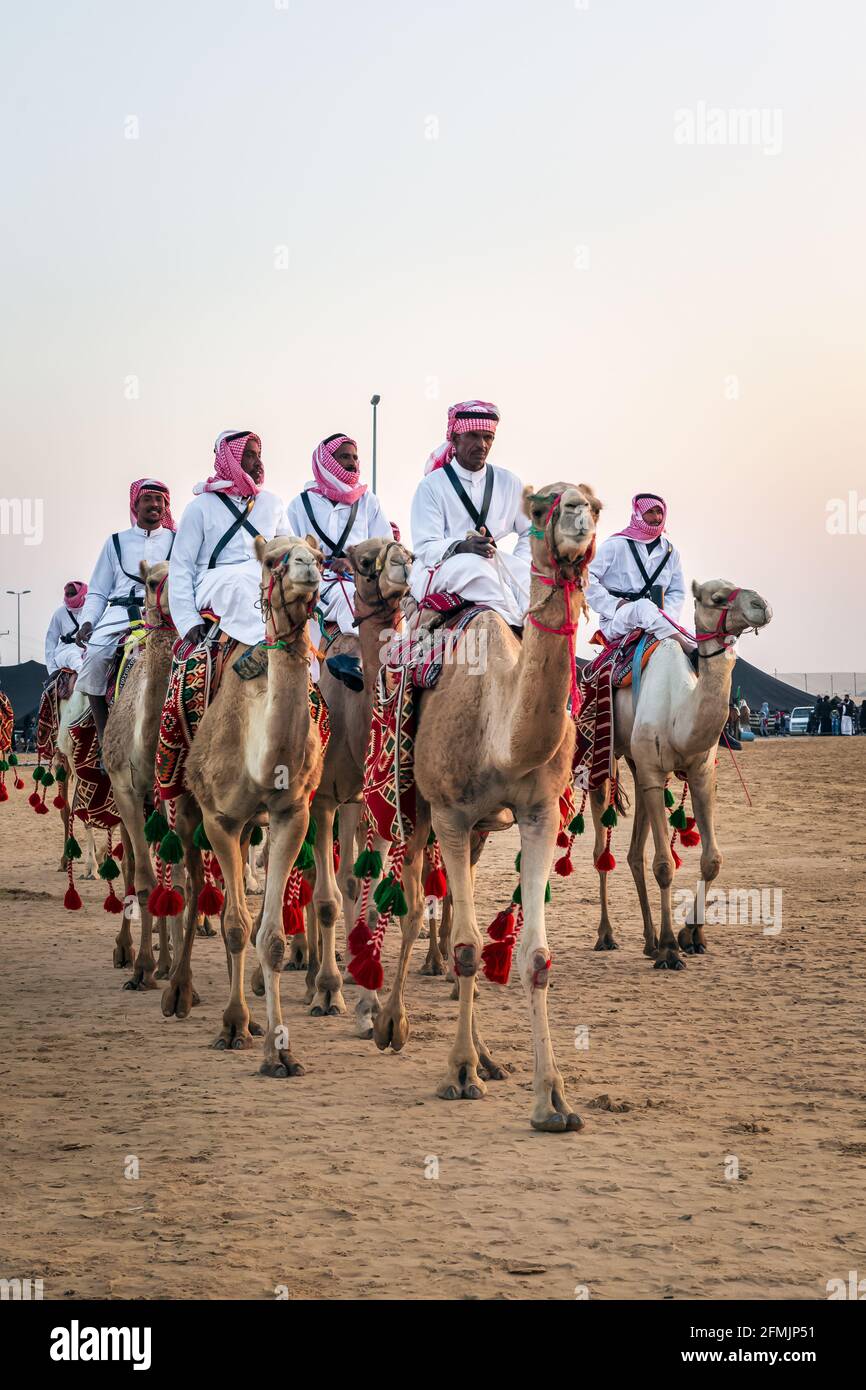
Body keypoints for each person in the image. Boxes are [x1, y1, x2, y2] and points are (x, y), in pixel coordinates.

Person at [409, 400, 531, 627]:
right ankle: (518, 627)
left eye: (488, 438)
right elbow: (425, 546)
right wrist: (461, 546)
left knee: (529, 579)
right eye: (474, 436)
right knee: (477, 571)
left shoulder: (509, 482)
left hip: (494, 562)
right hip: (440, 568)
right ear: (455, 439)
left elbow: (532, 531)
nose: (482, 444)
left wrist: (520, 562)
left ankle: (540, 641)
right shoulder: (432, 485)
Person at [286, 433, 392, 690]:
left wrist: (355, 562)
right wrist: (315, 565)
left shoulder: (368, 501)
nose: (353, 463)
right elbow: (291, 550)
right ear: (326, 462)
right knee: (349, 598)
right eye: (345, 457)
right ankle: (352, 656)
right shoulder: (300, 505)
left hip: (361, 576)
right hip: (318, 582)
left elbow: (386, 545)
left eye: (355, 457)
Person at [169, 431, 291, 650]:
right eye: (250, 455)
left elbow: (289, 548)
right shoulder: (200, 507)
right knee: (242, 581)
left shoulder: (272, 503)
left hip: (264, 576)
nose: (258, 463)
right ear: (231, 459)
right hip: (215, 579)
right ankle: (262, 649)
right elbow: (181, 566)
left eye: (259, 455)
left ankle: (314, 669)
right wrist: (188, 620)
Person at [76, 480, 176, 745]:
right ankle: (104, 733)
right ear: (136, 504)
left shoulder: (177, 541)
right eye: (148, 499)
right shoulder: (115, 542)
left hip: (165, 614)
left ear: (166, 506)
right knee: (95, 656)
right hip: (119, 612)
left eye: (160, 500)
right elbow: (98, 590)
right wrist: (87, 622)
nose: (155, 505)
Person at [586, 493, 694, 651]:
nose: (656, 517)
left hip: (659, 620)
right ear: (638, 513)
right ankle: (688, 649)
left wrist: (664, 615)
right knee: (643, 607)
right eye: (650, 512)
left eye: (660, 512)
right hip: (617, 619)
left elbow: (677, 591)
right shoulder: (615, 545)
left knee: (698, 637)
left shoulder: (671, 552)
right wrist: (615, 605)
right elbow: (586, 578)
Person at [44, 581, 88, 676]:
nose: (69, 597)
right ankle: (87, 679)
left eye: (73, 594)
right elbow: (50, 641)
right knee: (73, 657)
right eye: (67, 594)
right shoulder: (59, 613)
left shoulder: (91, 610)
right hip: (66, 651)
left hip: (88, 647)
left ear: (82, 593)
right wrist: (52, 670)